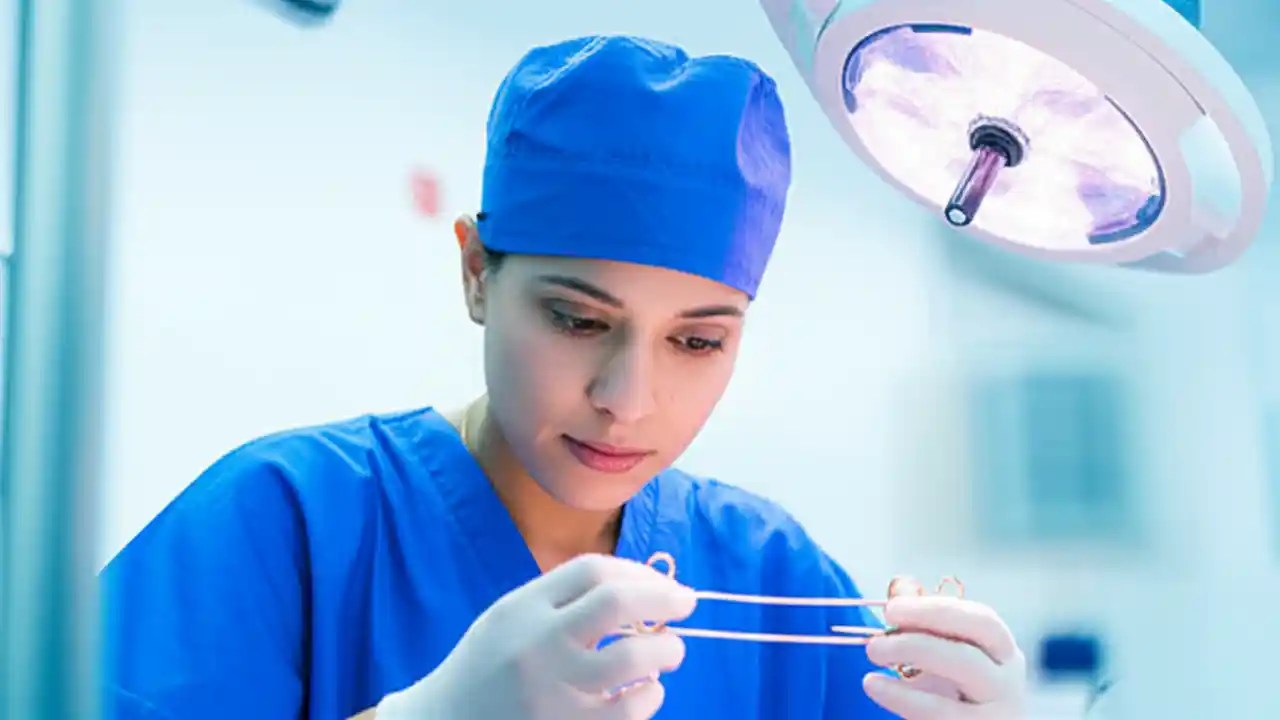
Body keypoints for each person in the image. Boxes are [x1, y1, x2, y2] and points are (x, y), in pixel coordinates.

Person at [100, 34, 1028, 720]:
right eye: (580, 321)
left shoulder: (770, 570)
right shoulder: (288, 525)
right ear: (475, 271)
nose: (629, 399)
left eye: (697, 343)